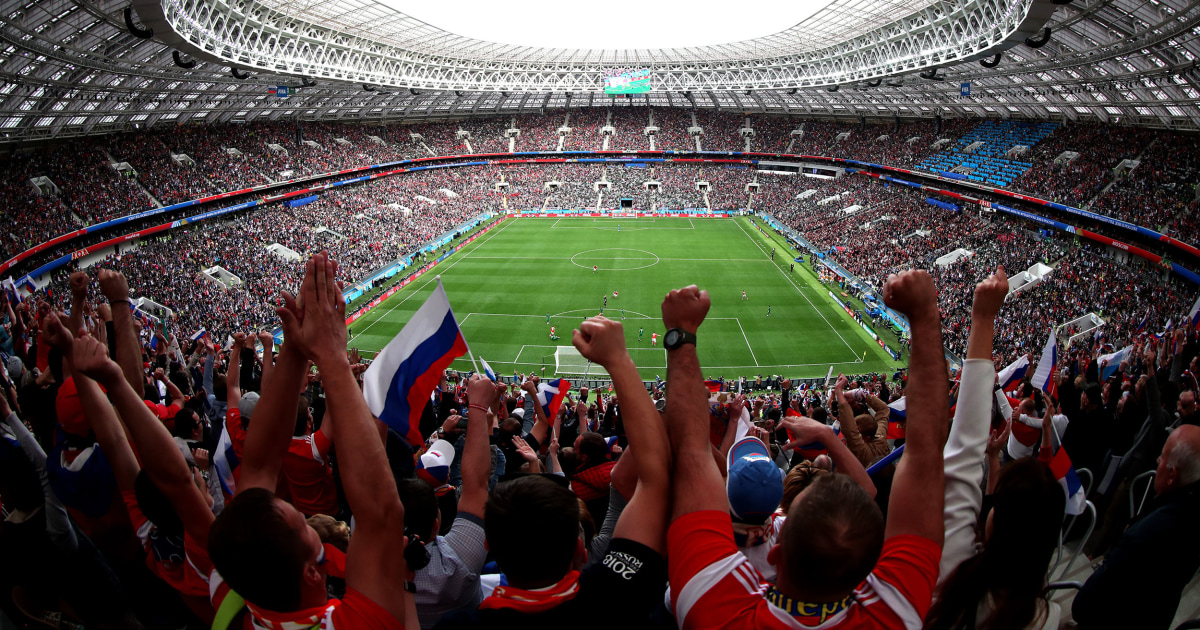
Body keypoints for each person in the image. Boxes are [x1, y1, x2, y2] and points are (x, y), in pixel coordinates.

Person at [664, 271, 948, 629]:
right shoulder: (897, 614)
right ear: (869, 567)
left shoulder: (712, 606)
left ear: (777, 554)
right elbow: (923, 457)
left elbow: (691, 453)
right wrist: (925, 317)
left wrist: (680, 334)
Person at [435, 315, 670, 629]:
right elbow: (652, 479)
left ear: (489, 547)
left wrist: (479, 410)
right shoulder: (617, 598)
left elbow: (476, 487)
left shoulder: (455, 623)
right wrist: (619, 361)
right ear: (580, 549)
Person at [1072, 423, 1200, 630]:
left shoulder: (1143, 536)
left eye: (1160, 460)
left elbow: (1086, 605)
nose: (1157, 463)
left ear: (1172, 475)